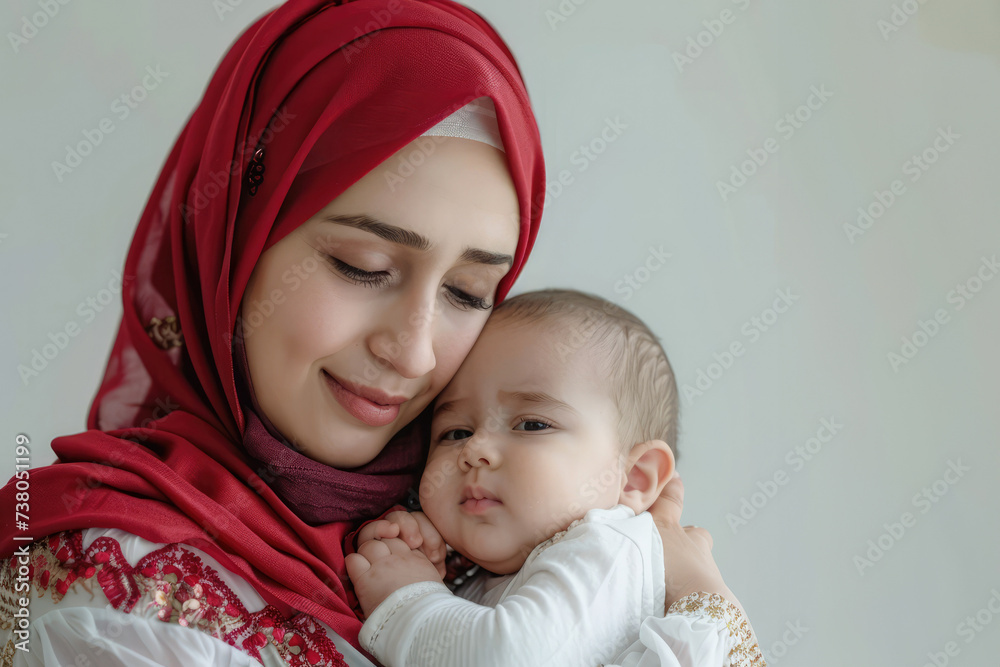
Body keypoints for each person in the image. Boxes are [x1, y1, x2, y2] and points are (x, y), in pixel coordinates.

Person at [0, 1, 760, 666]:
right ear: (232, 248)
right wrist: (705, 608)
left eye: (469, 291)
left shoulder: (480, 531)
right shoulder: (106, 579)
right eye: (363, 266)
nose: (416, 349)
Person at [346, 290, 764, 666]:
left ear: (633, 477)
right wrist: (438, 564)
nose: (475, 450)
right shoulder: (511, 570)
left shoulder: (605, 548)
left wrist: (407, 596)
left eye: (531, 425)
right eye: (456, 433)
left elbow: (505, 659)